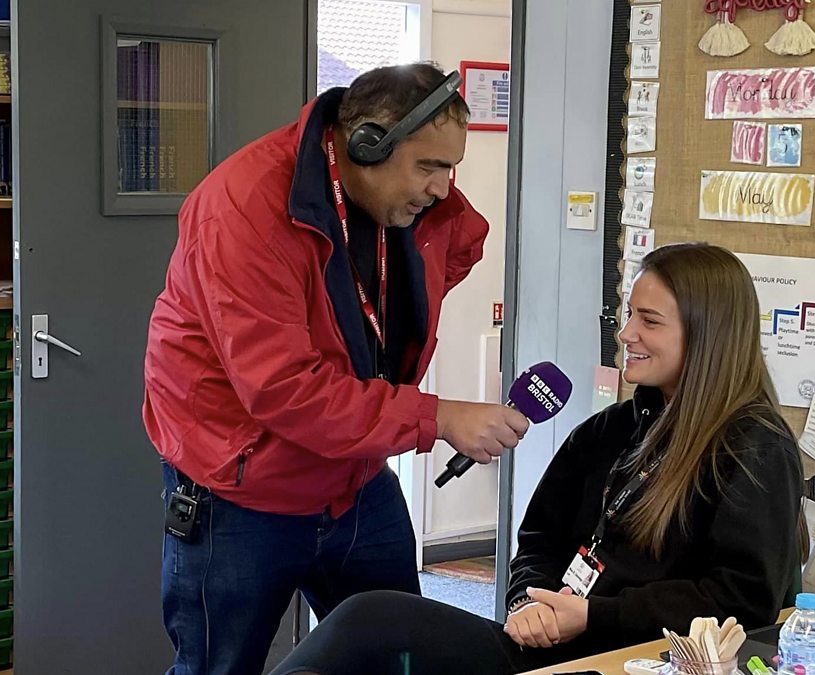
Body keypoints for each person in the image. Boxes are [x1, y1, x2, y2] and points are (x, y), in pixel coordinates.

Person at [142, 62, 531, 674]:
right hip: (242, 487)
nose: (442, 188)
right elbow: (284, 389)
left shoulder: (407, 208)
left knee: (398, 653)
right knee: (218, 668)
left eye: (450, 167)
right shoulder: (241, 209)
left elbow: (455, 248)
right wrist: (437, 417)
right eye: (429, 167)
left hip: (354, 478)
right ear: (366, 143)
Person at [271, 242, 806, 675]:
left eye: (650, 321)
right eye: (627, 315)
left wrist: (592, 616)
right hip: (554, 646)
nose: (626, 335)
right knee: (368, 619)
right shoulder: (609, 431)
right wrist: (528, 602)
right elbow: (540, 540)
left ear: (707, 336)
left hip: (634, 659)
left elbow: (743, 598)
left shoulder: (754, 449)